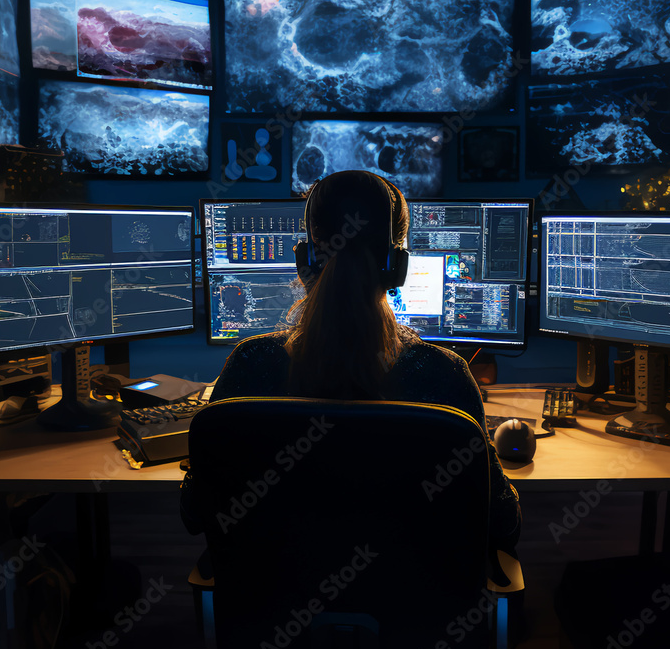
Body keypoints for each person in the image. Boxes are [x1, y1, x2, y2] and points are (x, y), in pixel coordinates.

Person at [180, 170, 521, 552]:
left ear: (305, 260)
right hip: (410, 588)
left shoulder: (251, 364)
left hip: (275, 586)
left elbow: (195, 514)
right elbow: (504, 525)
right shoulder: (445, 376)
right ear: (398, 266)